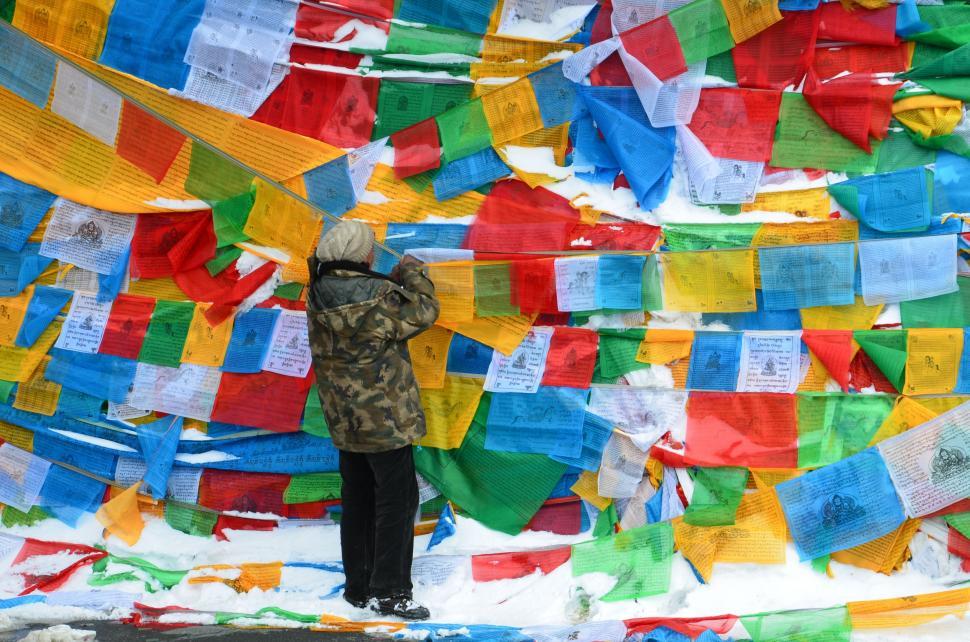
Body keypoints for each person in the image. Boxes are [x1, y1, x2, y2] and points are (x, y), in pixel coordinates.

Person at [306, 220, 439, 621]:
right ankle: (392, 593)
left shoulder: (316, 292)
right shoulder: (380, 294)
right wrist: (413, 273)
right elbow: (426, 310)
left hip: (344, 420)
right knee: (396, 504)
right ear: (362, 254)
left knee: (359, 500)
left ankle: (359, 587)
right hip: (385, 418)